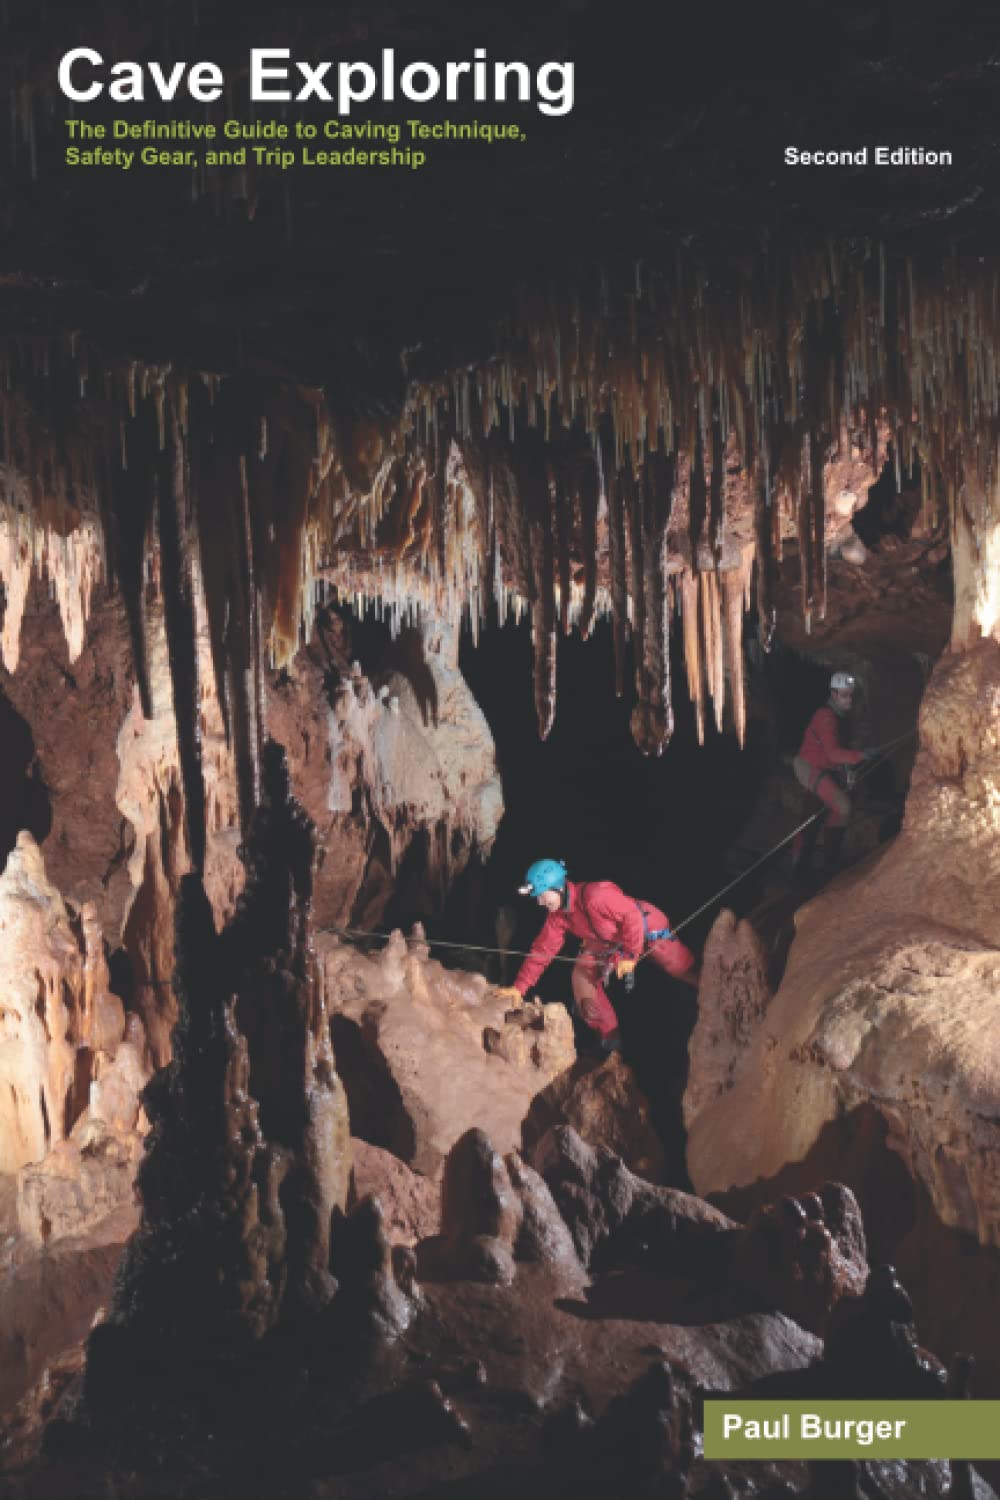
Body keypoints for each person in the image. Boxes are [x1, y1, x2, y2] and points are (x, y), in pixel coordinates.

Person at [494, 858, 698, 1055]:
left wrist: (630, 955)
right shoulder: (558, 916)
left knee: (678, 967)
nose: (539, 902)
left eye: (542, 895)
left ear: (558, 887)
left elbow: (632, 916)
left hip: (646, 928)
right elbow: (542, 950)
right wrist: (519, 987)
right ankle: (610, 1041)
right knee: (583, 972)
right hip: (611, 938)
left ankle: (705, 986)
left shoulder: (596, 895)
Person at [791, 671, 876, 877]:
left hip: (826, 768)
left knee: (817, 810)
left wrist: (849, 769)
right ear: (833, 694)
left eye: (850, 695)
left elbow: (838, 753)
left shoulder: (841, 717)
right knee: (841, 806)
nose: (849, 699)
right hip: (809, 766)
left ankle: (821, 863)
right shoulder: (826, 717)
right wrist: (860, 756)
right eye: (844, 695)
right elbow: (833, 753)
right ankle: (806, 866)